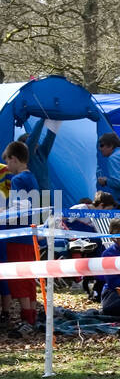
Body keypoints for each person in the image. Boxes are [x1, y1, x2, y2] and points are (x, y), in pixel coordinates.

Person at [0, 140, 40, 331]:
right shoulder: (32, 178)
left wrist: (2, 213)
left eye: (7, 162)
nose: (7, 166)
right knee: (30, 276)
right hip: (30, 235)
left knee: (19, 278)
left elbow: (19, 209)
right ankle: (31, 316)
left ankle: (26, 320)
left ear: (14, 159)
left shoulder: (17, 180)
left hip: (17, 235)